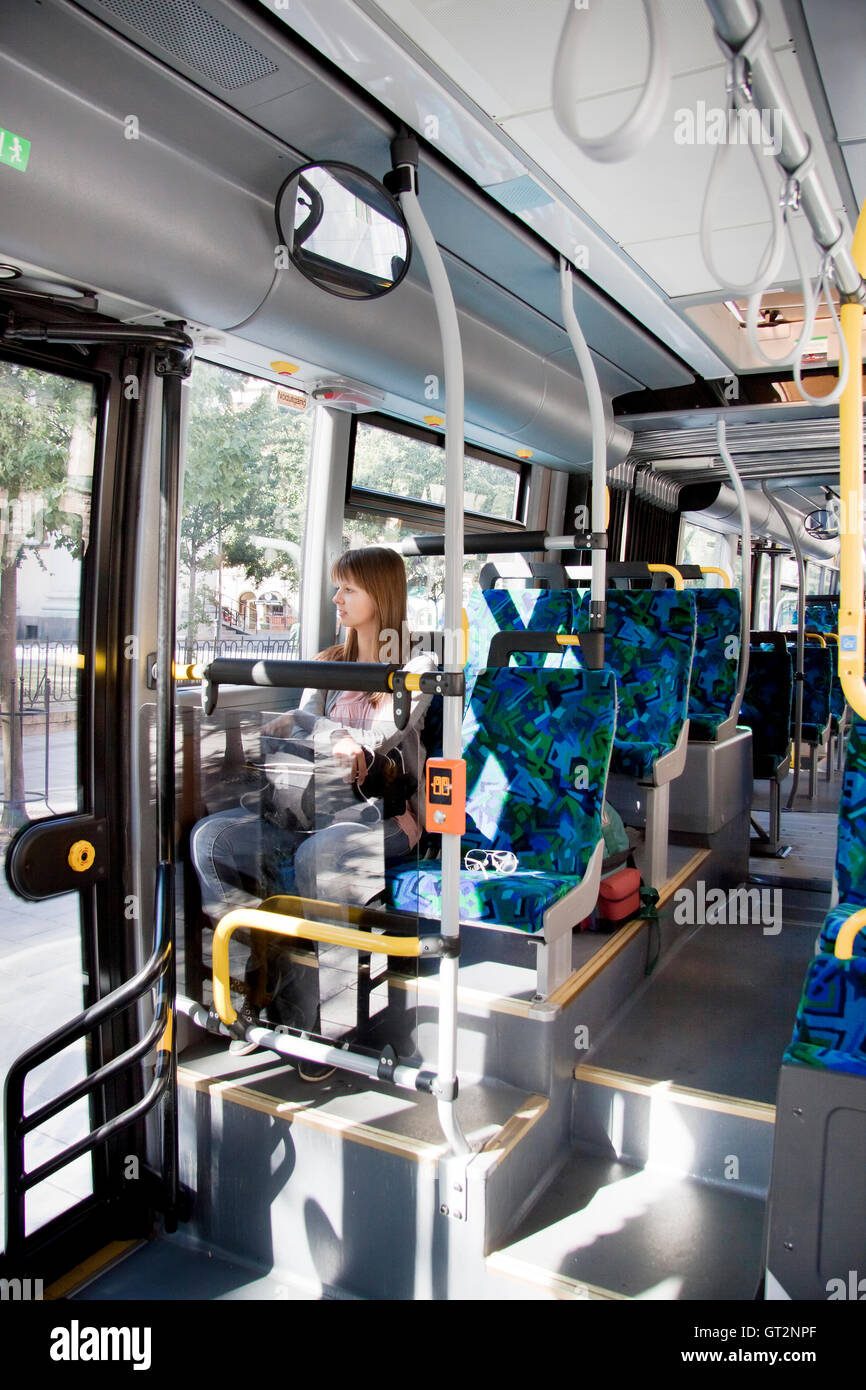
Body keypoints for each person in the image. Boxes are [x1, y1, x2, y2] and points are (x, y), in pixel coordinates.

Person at [190, 546, 436, 1073]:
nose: (336, 598)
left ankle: (326, 1024)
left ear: (382, 594)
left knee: (317, 860)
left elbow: (378, 739)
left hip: (385, 817)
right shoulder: (327, 664)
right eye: (336, 587)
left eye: (348, 588)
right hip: (308, 809)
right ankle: (252, 982)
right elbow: (296, 727)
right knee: (211, 840)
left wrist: (324, 731)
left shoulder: (417, 668)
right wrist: (323, 733)